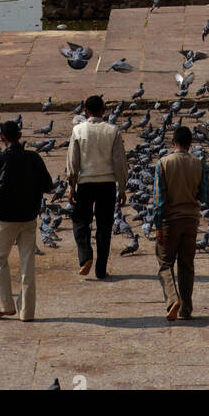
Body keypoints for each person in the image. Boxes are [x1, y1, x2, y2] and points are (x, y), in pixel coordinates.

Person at [0, 121, 53, 321]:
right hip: (29, 216)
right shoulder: (34, 158)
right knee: (27, 263)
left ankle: (4, 305)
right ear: (20, 136)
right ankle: (26, 312)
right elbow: (48, 185)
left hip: (5, 217)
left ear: (2, 138)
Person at [66, 95, 127, 280]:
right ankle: (101, 269)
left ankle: (85, 257)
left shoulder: (78, 130)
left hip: (85, 183)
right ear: (103, 111)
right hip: (107, 184)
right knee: (104, 226)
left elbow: (72, 162)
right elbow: (120, 162)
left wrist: (72, 186)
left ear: (85, 111)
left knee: (80, 222)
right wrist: (122, 187)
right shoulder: (113, 130)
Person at [154, 125, 209, 322]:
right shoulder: (199, 164)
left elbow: (159, 200)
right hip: (191, 220)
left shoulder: (163, 163)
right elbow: (204, 195)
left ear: (173, 143)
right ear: (190, 144)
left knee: (165, 262)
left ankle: (172, 299)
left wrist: (158, 226)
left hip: (171, 220)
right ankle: (186, 309)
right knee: (186, 265)